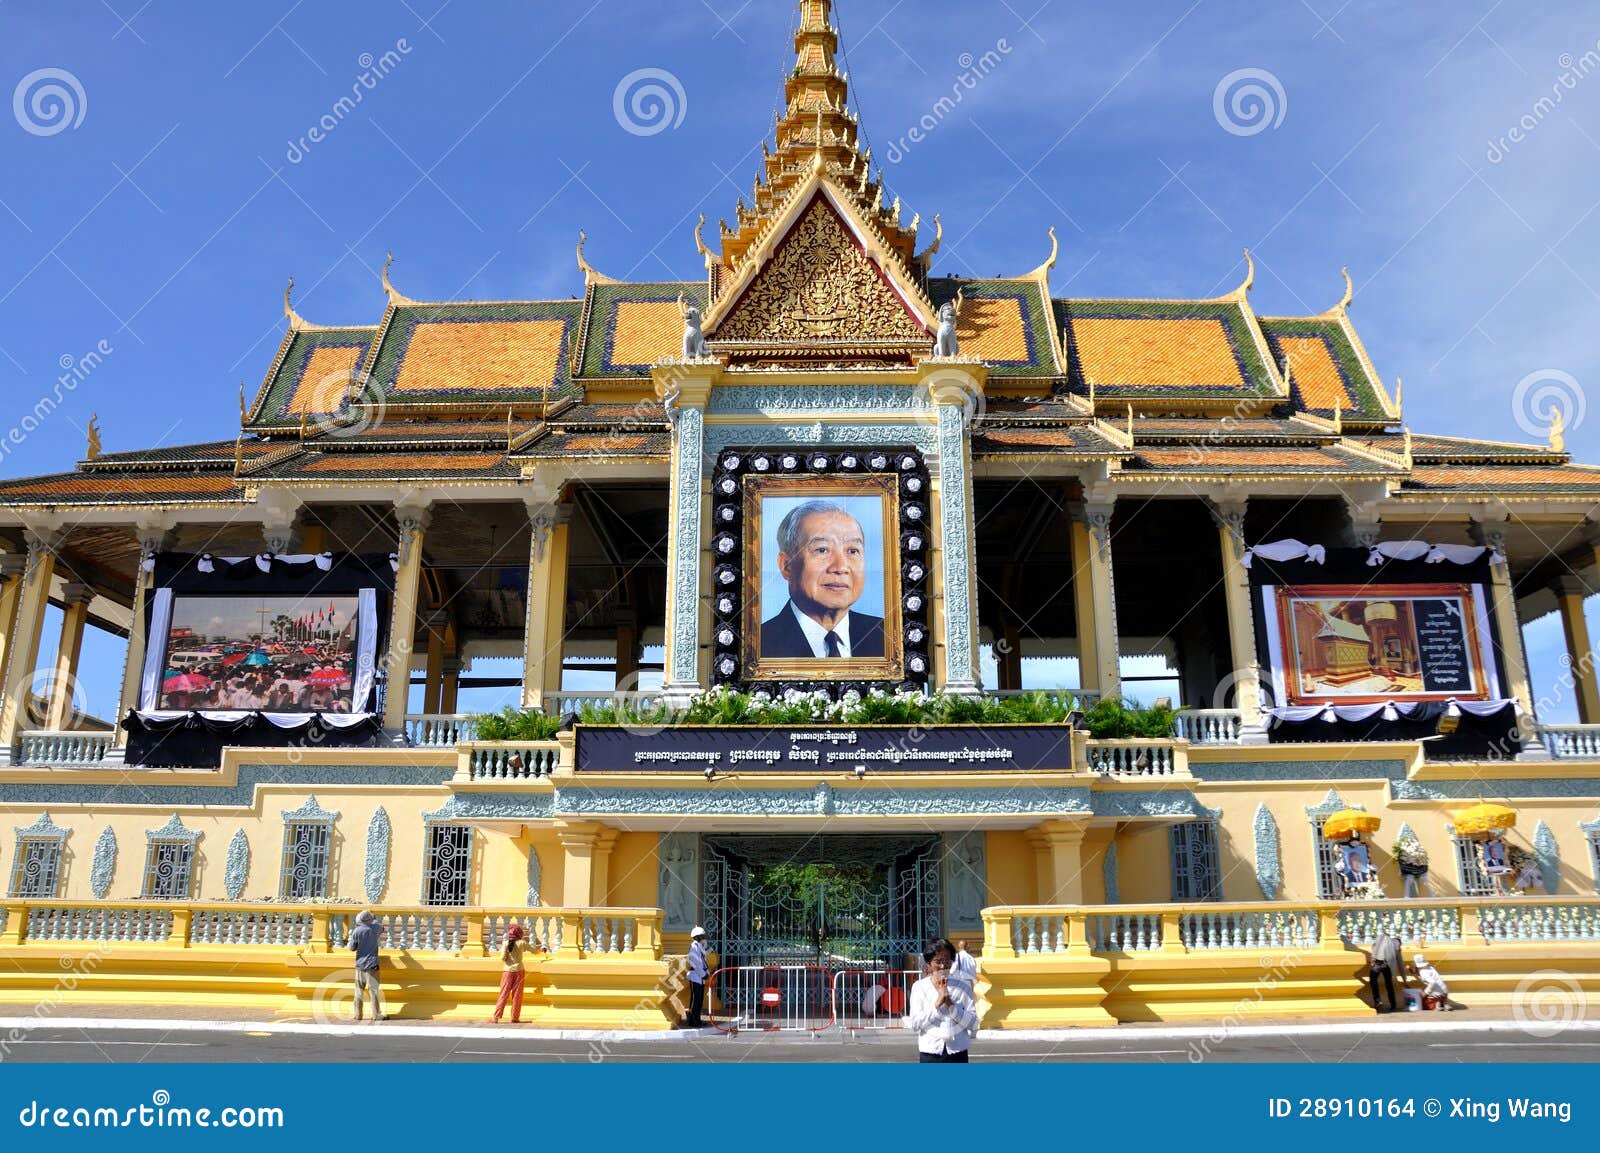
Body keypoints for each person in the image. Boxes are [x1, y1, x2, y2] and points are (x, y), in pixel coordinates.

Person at [760, 500, 885, 659]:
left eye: (853, 551)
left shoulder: (889, 637)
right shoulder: (759, 645)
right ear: (787, 565)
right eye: (822, 550)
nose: (840, 567)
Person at [908, 940, 979, 1062]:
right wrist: (937, 1004)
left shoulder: (963, 986)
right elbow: (915, 1024)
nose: (943, 966)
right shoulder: (919, 987)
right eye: (938, 961)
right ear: (929, 963)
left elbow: (973, 1023)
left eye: (947, 961)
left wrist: (950, 1004)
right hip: (930, 1051)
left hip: (958, 1051)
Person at [347, 910, 385, 1023]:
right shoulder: (375, 928)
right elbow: (382, 927)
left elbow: (352, 948)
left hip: (360, 964)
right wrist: (373, 919)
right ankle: (376, 1014)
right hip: (372, 964)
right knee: (374, 991)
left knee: (358, 990)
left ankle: (358, 1014)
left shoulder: (357, 931)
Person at [491, 922, 532, 1024]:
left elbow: (502, 958)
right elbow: (534, 951)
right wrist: (543, 951)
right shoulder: (522, 943)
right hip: (519, 971)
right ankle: (515, 1018)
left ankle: (496, 1017)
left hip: (507, 971)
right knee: (517, 996)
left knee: (503, 994)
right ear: (519, 933)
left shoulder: (505, 943)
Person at [1367, 928, 1402, 1014]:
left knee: (1373, 982)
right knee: (1389, 985)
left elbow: (1374, 947)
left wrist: (1373, 960)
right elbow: (1399, 960)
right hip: (1387, 965)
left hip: (1377, 964)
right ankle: (1393, 1004)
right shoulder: (1395, 943)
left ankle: (1378, 1000)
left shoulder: (1381, 939)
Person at [684, 926, 709, 1029]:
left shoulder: (699, 946)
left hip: (700, 977)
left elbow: (703, 962)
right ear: (697, 936)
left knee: (699, 1000)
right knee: (695, 1000)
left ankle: (697, 1019)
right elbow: (695, 963)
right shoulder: (694, 947)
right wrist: (703, 974)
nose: (703, 937)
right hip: (696, 976)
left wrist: (706, 972)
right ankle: (693, 1020)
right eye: (702, 935)